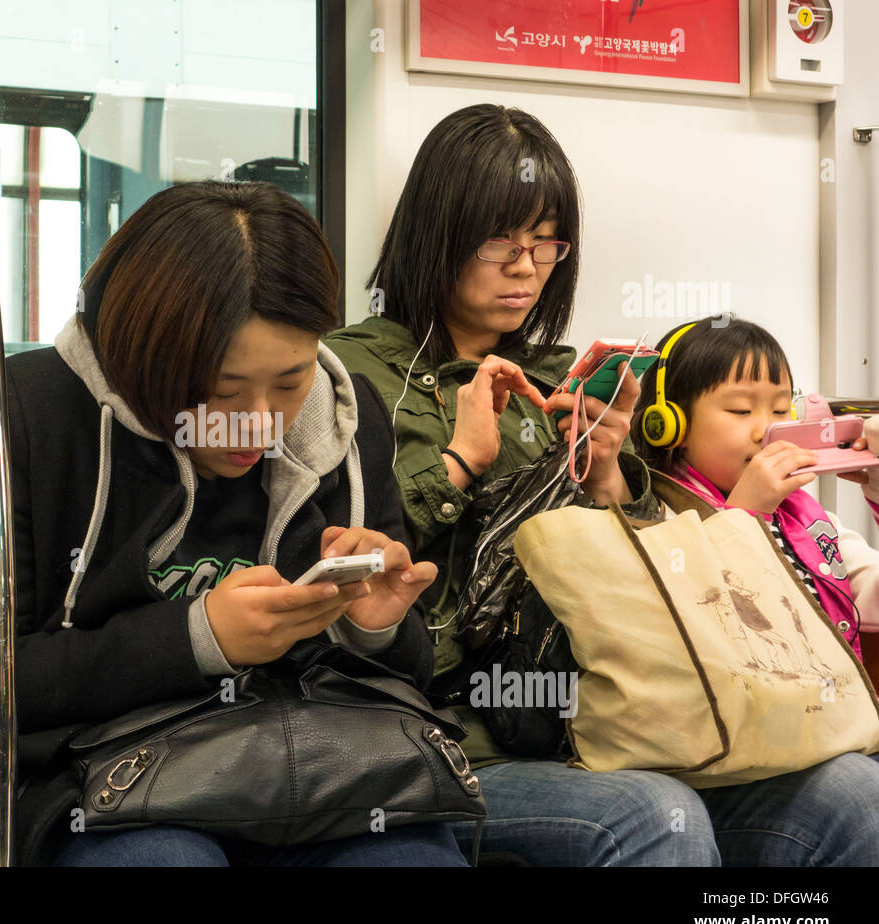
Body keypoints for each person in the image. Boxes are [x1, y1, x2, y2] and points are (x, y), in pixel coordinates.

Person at [0, 179, 470, 867]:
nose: (259, 421)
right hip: (105, 779)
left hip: (316, 764)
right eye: (221, 389)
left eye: (290, 380)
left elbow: (411, 674)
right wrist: (196, 639)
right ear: (142, 354)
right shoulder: (28, 412)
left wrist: (376, 627)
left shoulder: (345, 414)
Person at [326, 103, 724, 865]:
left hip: (593, 716)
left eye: (546, 243)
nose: (525, 267)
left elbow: (648, 589)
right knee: (651, 816)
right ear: (434, 234)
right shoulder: (348, 376)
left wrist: (607, 469)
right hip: (436, 734)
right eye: (499, 240)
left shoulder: (562, 381)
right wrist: (460, 462)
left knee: (847, 792)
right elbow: (334, 564)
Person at [626, 315, 879, 864]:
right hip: (715, 767)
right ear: (666, 423)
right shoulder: (651, 517)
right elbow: (693, 619)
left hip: (820, 740)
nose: (767, 430)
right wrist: (743, 515)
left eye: (782, 408)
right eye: (741, 410)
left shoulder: (807, 522)